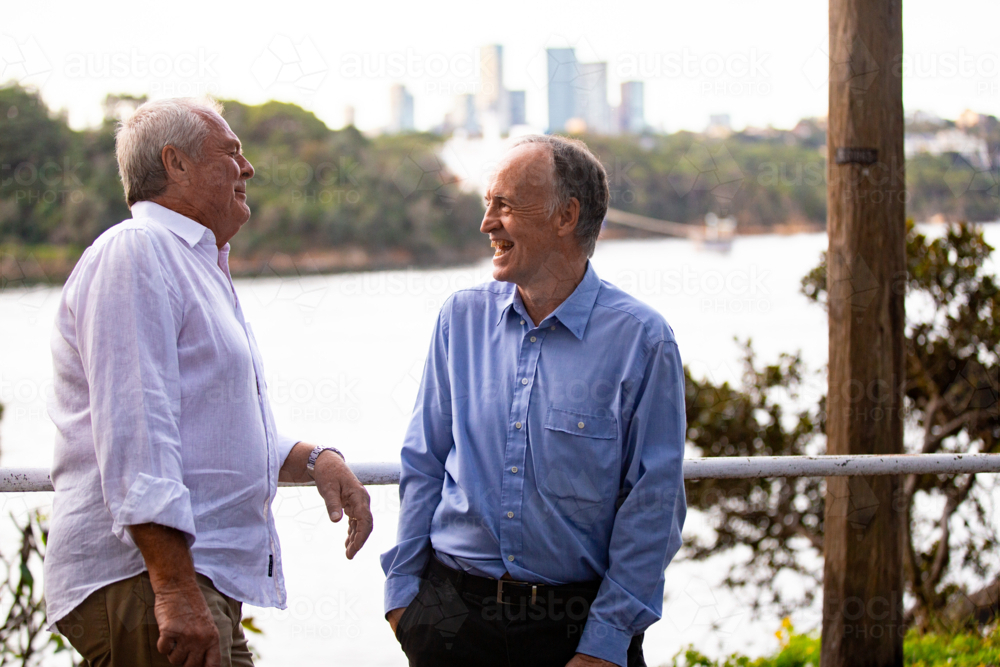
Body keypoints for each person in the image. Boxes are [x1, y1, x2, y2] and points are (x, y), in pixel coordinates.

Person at [44, 98, 373, 667]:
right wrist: (173, 590)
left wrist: (316, 459)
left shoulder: (194, 265)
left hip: (185, 582)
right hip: (149, 583)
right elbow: (136, 432)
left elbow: (209, 435)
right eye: (232, 153)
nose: (248, 169)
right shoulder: (136, 252)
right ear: (176, 163)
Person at [381, 135, 687, 667]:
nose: (487, 223)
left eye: (505, 205)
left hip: (575, 629)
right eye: (487, 204)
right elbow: (423, 462)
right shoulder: (461, 319)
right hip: (449, 617)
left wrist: (604, 645)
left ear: (565, 216)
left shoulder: (642, 340)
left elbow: (654, 504)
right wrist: (404, 599)